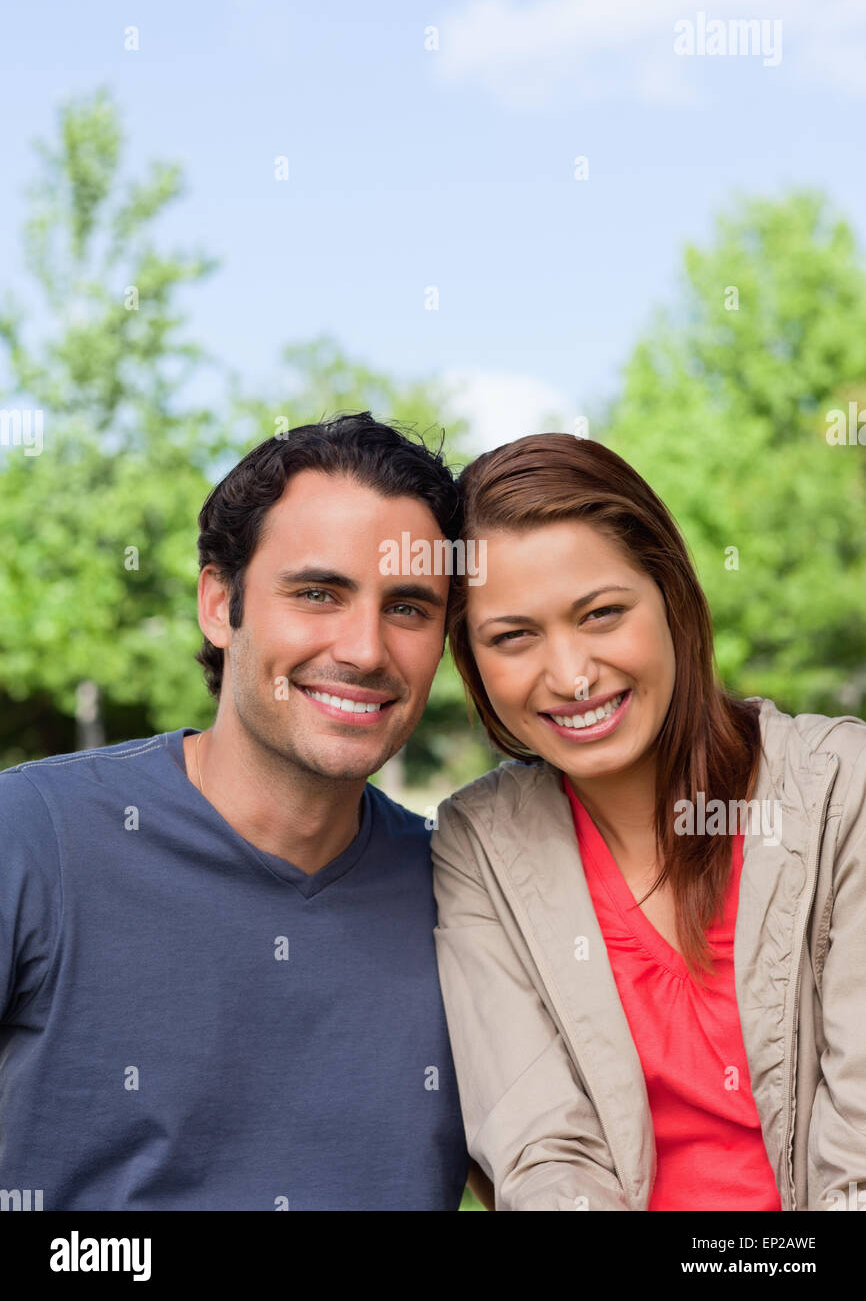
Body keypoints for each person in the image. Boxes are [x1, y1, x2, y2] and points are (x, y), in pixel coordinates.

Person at [0, 411, 473, 1211]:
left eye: (409, 608)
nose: (364, 649)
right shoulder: (31, 838)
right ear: (220, 605)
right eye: (318, 592)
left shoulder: (467, 900)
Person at [432, 432, 866, 1212]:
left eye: (601, 614)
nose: (570, 676)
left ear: (672, 597)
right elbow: (543, 1155)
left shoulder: (844, 791)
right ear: (471, 659)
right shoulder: (478, 847)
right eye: (513, 636)